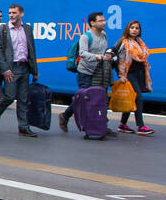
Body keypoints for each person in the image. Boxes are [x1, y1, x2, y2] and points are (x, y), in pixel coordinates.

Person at [59, 11, 117, 139]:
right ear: (92, 23)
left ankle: (102, 125)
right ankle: (68, 117)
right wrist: (96, 57)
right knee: (84, 100)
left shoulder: (104, 36)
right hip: (85, 72)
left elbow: (104, 52)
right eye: (101, 20)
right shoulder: (86, 37)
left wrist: (108, 56)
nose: (104, 22)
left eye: (104, 20)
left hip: (99, 73)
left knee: (99, 100)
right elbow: (83, 53)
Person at [0, 3, 38, 137]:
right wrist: (5, 69)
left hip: (24, 67)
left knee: (23, 98)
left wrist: (34, 70)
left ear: (21, 14)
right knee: (9, 97)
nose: (11, 15)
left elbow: (31, 49)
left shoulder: (27, 29)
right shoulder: (2, 29)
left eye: (14, 13)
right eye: (10, 13)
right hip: (11, 69)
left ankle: (23, 127)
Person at [115, 20, 153, 136]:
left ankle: (122, 124)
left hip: (140, 74)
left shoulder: (140, 42)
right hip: (129, 74)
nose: (135, 30)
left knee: (131, 98)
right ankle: (141, 126)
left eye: (137, 28)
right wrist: (121, 75)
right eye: (132, 28)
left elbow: (143, 58)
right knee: (138, 98)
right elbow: (120, 60)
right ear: (128, 29)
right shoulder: (124, 43)